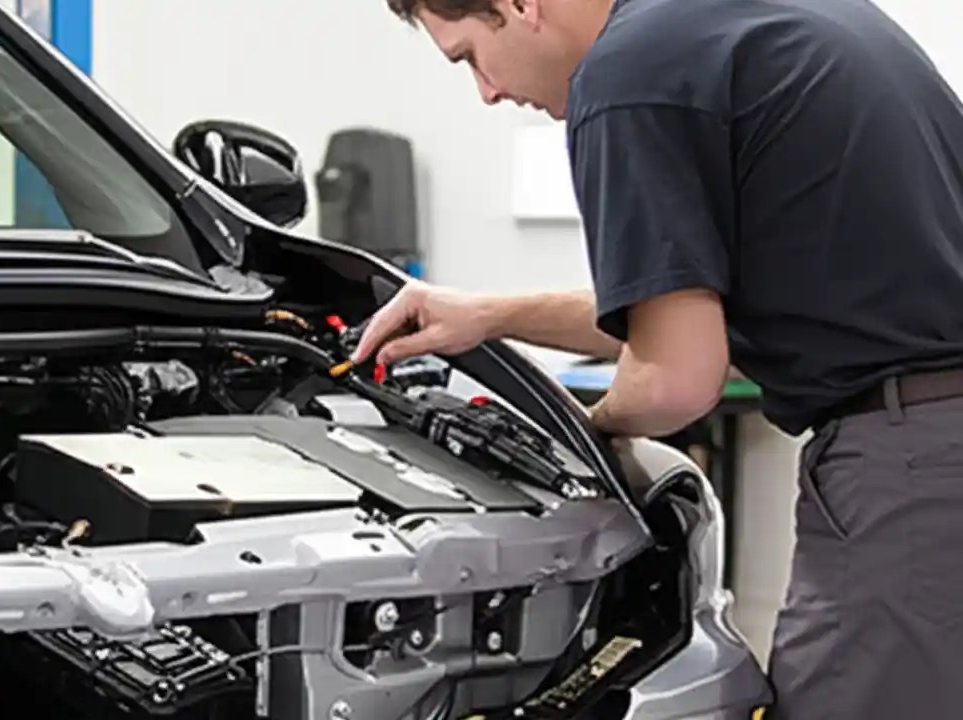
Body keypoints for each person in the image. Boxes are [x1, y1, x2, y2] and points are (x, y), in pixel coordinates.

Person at [355, 0, 963, 717]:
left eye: (466, 57)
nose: (486, 92)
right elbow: (679, 306)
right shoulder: (739, 21)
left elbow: (673, 381)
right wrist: (488, 315)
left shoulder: (626, 73)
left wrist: (573, 431)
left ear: (521, 6)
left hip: (912, 476)